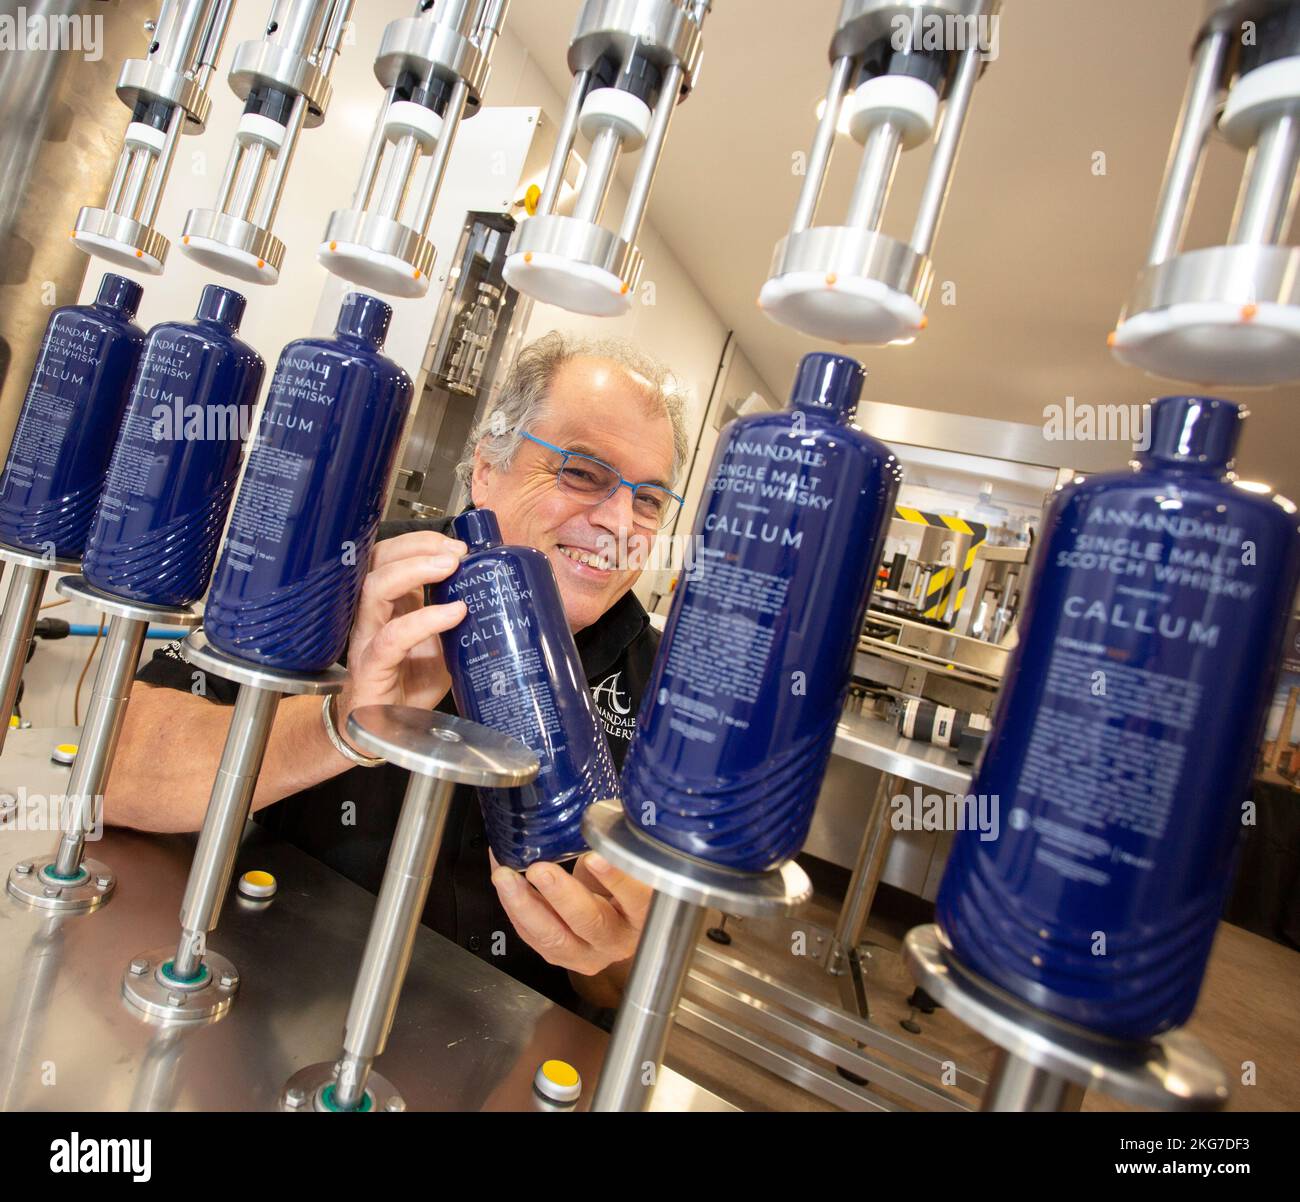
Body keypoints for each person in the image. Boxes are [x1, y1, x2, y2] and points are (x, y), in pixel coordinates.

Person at [103, 331, 690, 1014]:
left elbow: (640, 993)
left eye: (648, 499)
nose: (618, 521)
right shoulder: (357, 578)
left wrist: (608, 949)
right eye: (583, 472)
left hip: (494, 1053)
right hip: (255, 996)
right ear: (486, 470)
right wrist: (342, 723)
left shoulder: (668, 693)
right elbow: (117, 773)